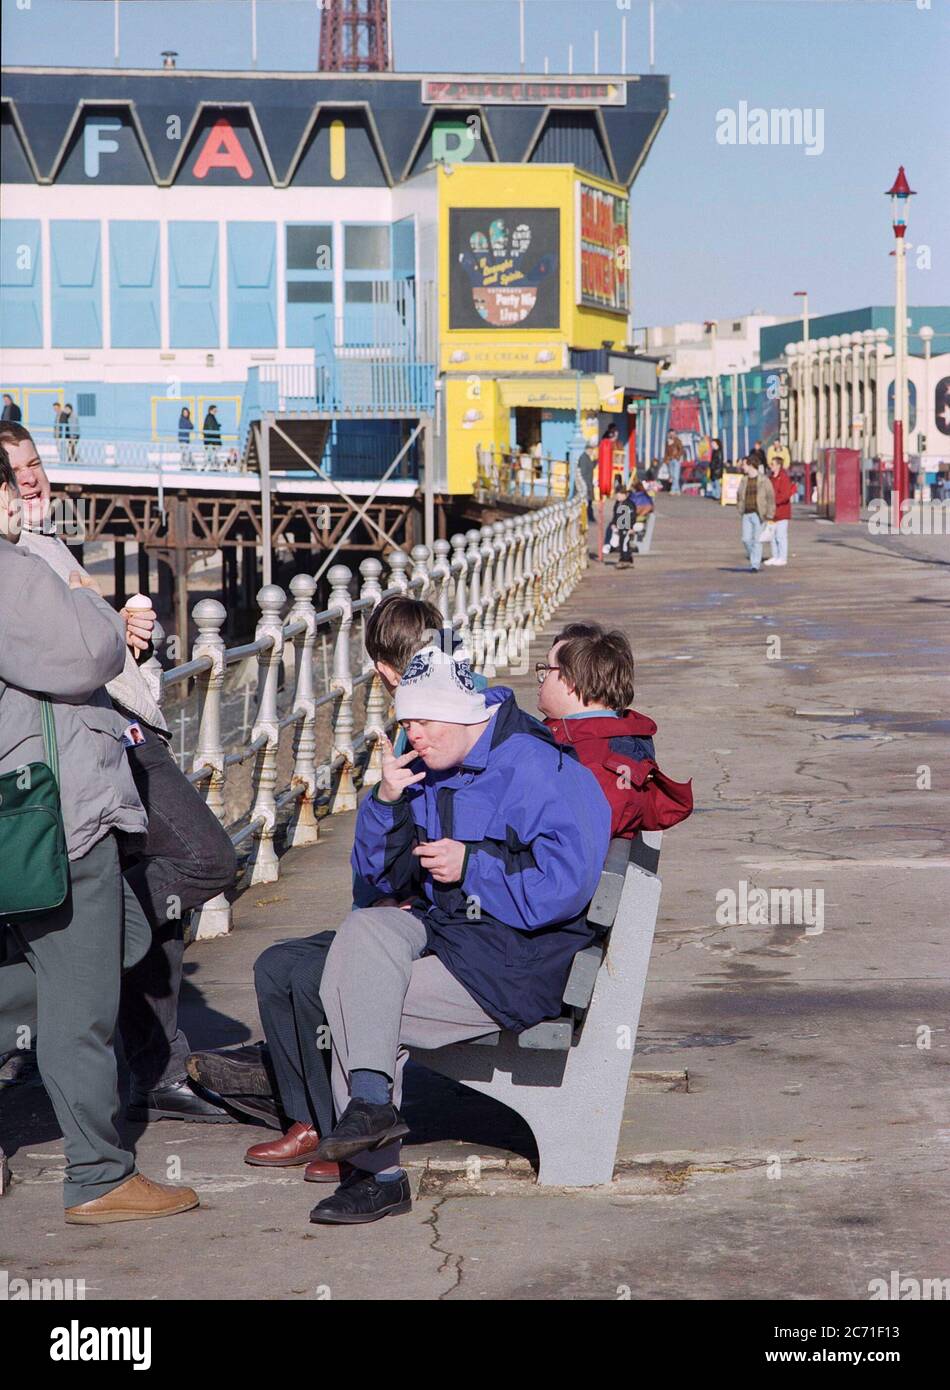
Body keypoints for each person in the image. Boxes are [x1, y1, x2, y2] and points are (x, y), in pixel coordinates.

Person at [299, 645, 610, 1225]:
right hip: (455, 935)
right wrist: (385, 803)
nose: (410, 734)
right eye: (404, 721)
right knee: (367, 928)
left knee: (356, 995)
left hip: (515, 962)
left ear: (465, 715)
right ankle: (371, 1106)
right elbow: (375, 883)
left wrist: (473, 866)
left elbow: (565, 886)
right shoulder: (428, 766)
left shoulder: (538, 767)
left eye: (421, 720)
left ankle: (378, 1175)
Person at [186, 596, 487, 1174]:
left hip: (436, 922)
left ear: (380, 671)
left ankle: (340, 1127)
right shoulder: (415, 735)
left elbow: (417, 855)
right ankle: (308, 1120)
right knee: (276, 964)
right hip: (409, 908)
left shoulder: (443, 734)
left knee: (311, 971)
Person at [1, 422, 238, 1124]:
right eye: (15, 474)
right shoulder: (17, 557)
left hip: (120, 728)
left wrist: (123, 631)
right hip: (82, 747)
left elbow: (86, 647)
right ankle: (146, 1065)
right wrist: (103, 624)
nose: (31, 482)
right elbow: (68, 657)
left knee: (166, 886)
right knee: (197, 862)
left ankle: (150, 1060)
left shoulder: (39, 544)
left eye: (36, 466)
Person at [537, 622, 693, 838]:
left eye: (547, 670)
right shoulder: (611, 740)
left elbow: (576, 832)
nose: (541, 679)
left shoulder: (594, 759)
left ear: (571, 680)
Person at [736, 456, 775, 573]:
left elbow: (770, 497)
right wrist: (739, 507)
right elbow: (739, 495)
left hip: (759, 514)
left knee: (757, 540)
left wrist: (770, 514)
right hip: (746, 513)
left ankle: (755, 565)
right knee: (746, 539)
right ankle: (754, 556)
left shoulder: (764, 480)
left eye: (744, 464)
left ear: (750, 465)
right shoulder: (744, 480)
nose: (742, 467)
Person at [764, 450, 795, 567]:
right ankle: (775, 556)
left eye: (772, 464)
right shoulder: (771, 478)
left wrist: (774, 501)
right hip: (772, 512)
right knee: (772, 535)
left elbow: (785, 495)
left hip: (782, 511)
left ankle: (782, 557)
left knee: (781, 535)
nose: (770, 466)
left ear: (778, 465)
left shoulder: (784, 478)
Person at [597, 424, 619, 502]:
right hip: (606, 456)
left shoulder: (615, 433)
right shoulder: (608, 435)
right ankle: (604, 490)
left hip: (610, 456)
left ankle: (609, 490)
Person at [576, 443, 595, 521]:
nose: (592, 451)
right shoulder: (584, 458)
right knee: (587, 503)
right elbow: (583, 473)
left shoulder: (587, 457)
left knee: (588, 503)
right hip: (586, 485)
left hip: (588, 484)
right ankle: (589, 518)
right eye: (591, 449)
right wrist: (586, 486)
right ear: (587, 449)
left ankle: (589, 518)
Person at [663, 430, 684, 494]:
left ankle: (672, 489)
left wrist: (677, 457)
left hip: (676, 460)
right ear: (669, 434)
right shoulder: (667, 441)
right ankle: (677, 490)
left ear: (675, 434)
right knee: (672, 475)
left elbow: (681, 450)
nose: (672, 435)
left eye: (673, 434)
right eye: (670, 434)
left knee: (676, 475)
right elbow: (666, 452)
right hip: (670, 460)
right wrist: (665, 460)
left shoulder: (678, 441)